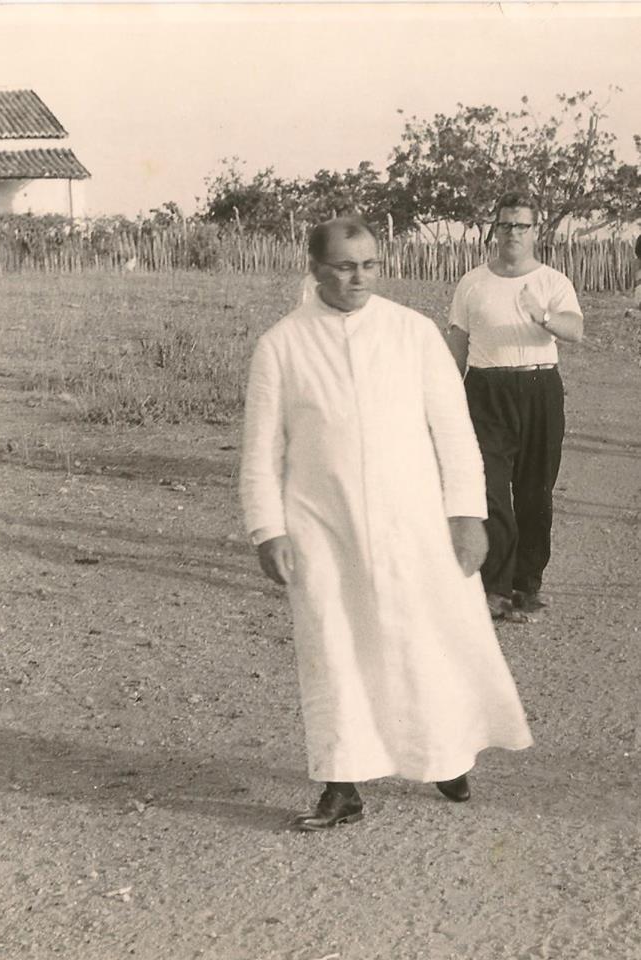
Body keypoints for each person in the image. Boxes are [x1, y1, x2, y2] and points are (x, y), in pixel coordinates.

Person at [240, 216, 532, 831]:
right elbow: (261, 451)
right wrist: (268, 530)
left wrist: (466, 516)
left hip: (414, 521)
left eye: (369, 264)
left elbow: (454, 433)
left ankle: (443, 756)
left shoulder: (413, 332)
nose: (358, 277)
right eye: (345, 266)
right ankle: (341, 786)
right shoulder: (281, 345)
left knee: (424, 639)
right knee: (333, 648)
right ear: (314, 268)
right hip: (321, 524)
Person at [446, 192, 583, 622]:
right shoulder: (472, 282)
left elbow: (574, 329)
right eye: (505, 225)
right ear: (494, 229)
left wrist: (541, 316)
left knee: (534, 492)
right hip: (486, 389)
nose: (513, 234)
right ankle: (495, 586)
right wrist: (442, 397)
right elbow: (456, 344)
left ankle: (527, 586)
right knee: (489, 490)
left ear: (536, 230)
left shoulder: (552, 282)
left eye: (522, 226)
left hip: (539, 386)